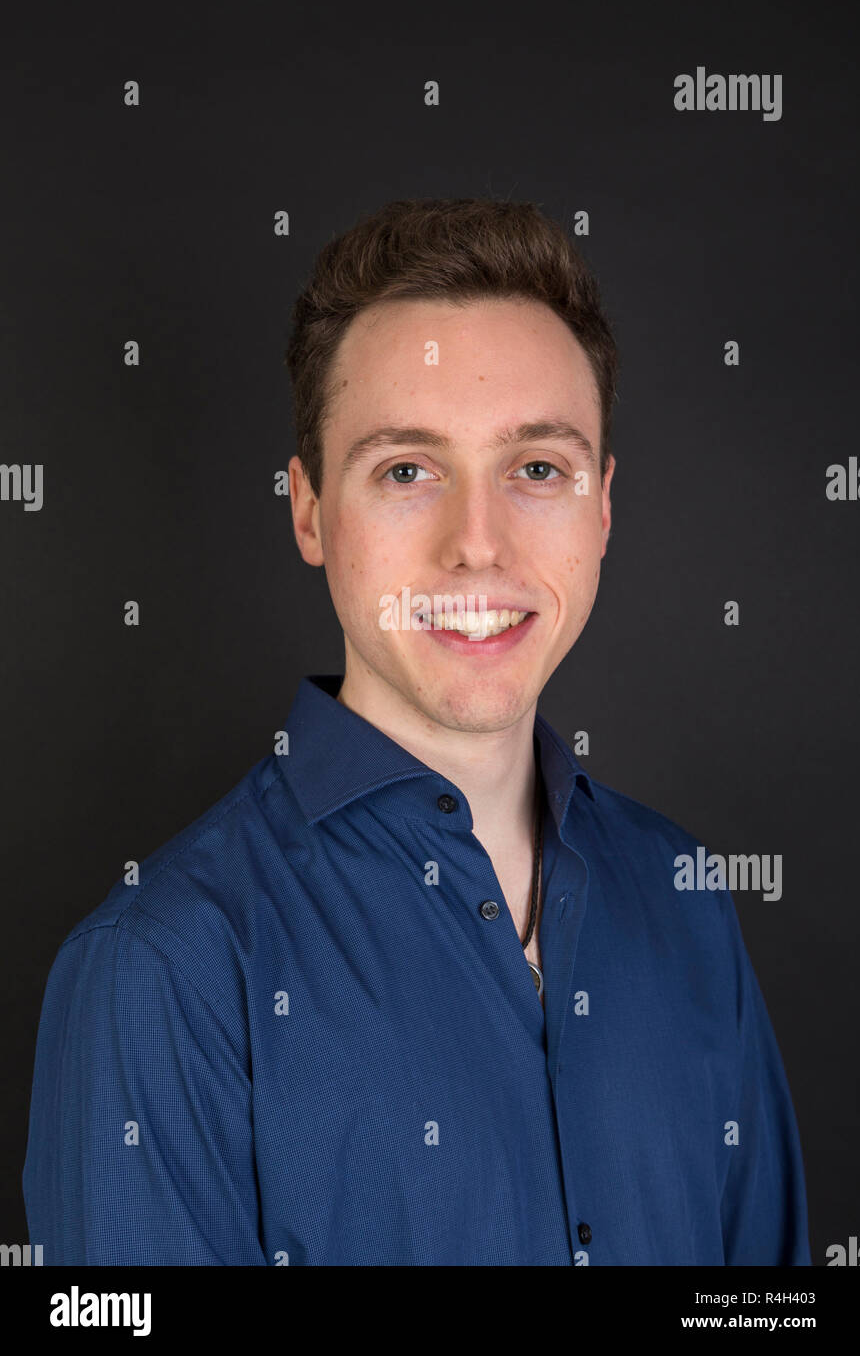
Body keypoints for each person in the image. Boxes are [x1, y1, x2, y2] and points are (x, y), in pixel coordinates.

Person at [22, 197, 810, 1265]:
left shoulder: (684, 896)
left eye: (536, 468)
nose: (475, 546)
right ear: (307, 510)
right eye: (406, 470)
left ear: (603, 508)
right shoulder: (156, 968)